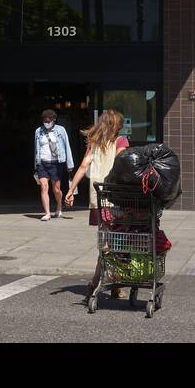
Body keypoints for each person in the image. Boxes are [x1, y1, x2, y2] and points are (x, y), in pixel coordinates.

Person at [66, 110, 131, 298]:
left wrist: (71, 190)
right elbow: (122, 165)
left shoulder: (94, 143)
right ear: (117, 125)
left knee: (107, 240)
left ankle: (106, 282)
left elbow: (84, 166)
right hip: (115, 197)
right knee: (114, 242)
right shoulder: (121, 142)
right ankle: (101, 281)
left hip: (97, 199)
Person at [33, 109, 74, 221]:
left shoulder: (61, 130)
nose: (47, 122)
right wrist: (36, 165)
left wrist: (69, 164)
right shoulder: (38, 131)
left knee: (56, 189)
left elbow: (67, 146)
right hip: (42, 162)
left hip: (56, 163)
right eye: (45, 120)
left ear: (54, 120)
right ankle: (47, 213)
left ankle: (59, 206)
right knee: (43, 186)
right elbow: (36, 149)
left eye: (49, 120)